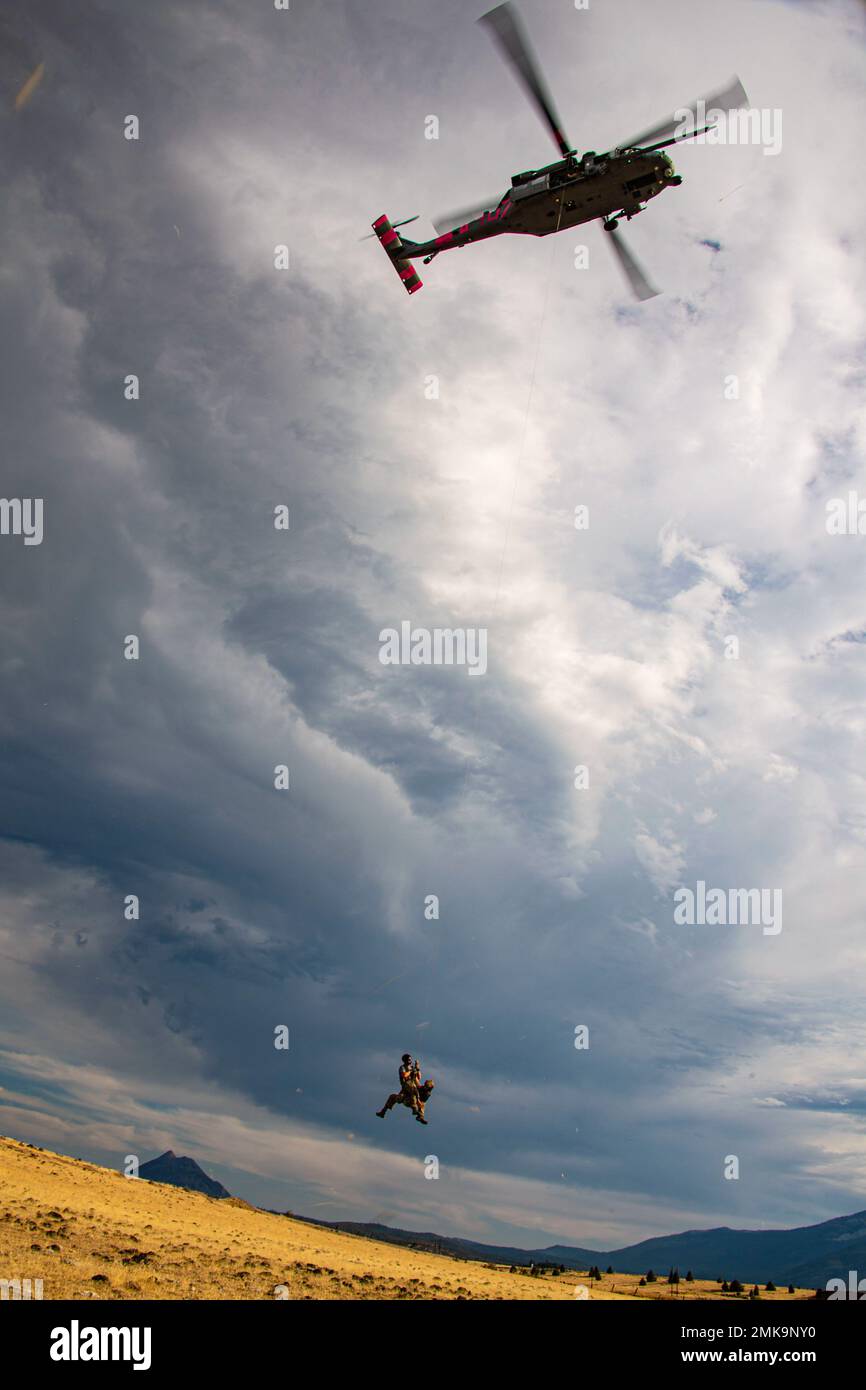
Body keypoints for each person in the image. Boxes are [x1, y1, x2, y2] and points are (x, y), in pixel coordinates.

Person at [376, 1054, 430, 1123]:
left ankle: (420, 1116)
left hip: (413, 1085)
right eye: (408, 1060)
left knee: (422, 1100)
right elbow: (404, 1075)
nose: (410, 1061)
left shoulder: (412, 1067)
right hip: (406, 1086)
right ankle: (383, 1111)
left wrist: (417, 1068)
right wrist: (411, 1071)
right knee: (396, 1096)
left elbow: (419, 1077)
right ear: (405, 1061)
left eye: (410, 1060)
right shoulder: (402, 1067)